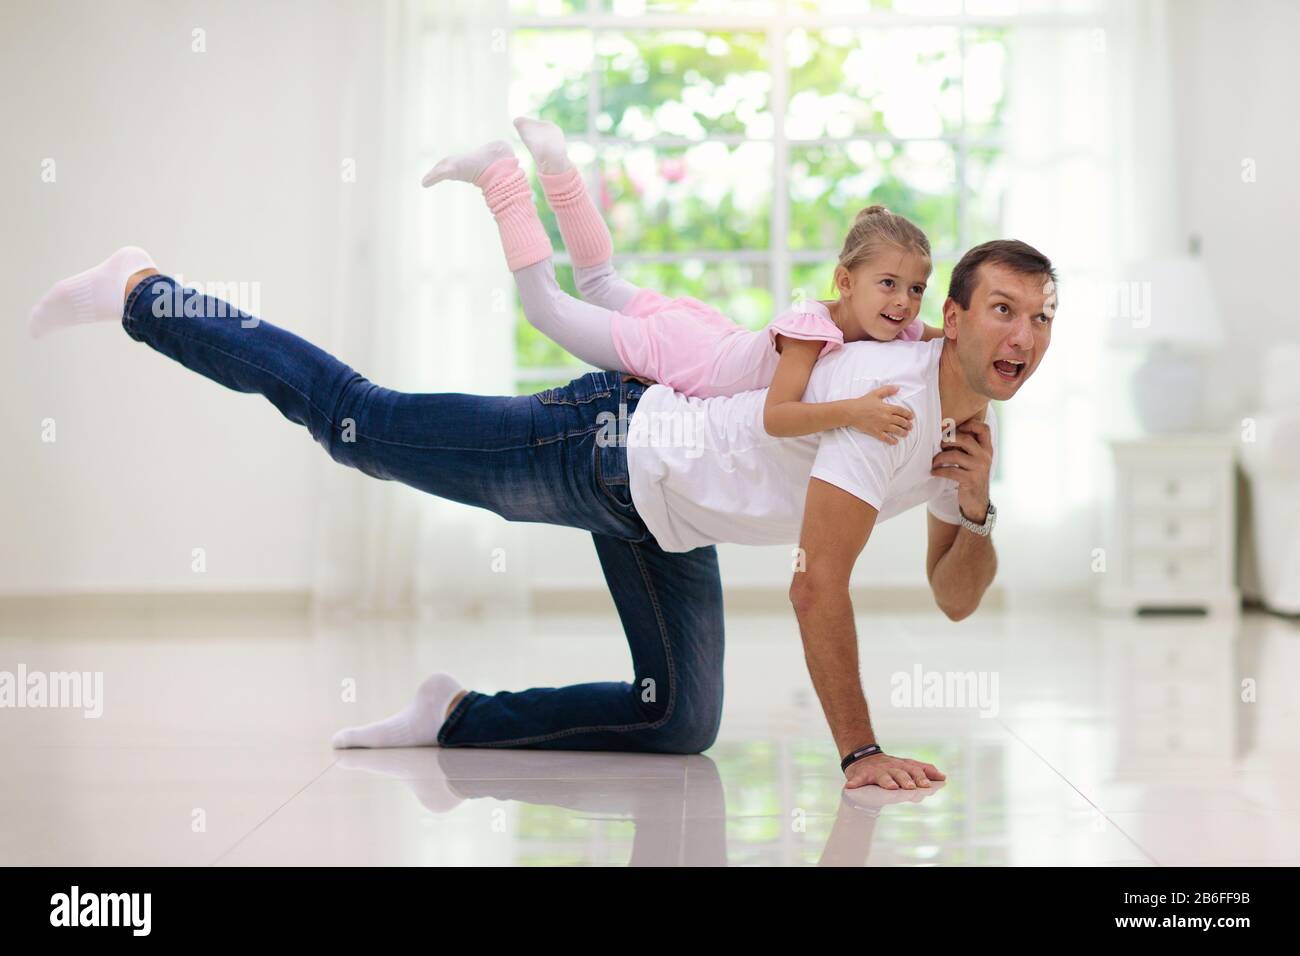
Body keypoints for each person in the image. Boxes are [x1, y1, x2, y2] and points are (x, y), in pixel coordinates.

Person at [28, 228, 1055, 792]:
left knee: (675, 720)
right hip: (602, 448)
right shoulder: (885, 397)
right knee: (356, 421)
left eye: (1042, 316)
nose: (1024, 333)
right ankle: (144, 289)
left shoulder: (963, 434)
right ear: (951, 317)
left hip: (666, 516)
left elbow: (954, 598)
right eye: (1002, 307)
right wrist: (859, 749)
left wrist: (973, 508)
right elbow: (815, 580)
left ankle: (453, 716)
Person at [426, 116, 942, 446]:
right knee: (547, 308)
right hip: (685, 355)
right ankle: (500, 178)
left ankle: (556, 163)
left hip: (707, 333)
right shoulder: (811, 329)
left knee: (600, 280)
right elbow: (777, 415)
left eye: (916, 289)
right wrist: (853, 412)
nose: (903, 303)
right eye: (889, 284)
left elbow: (950, 338)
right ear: (845, 281)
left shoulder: (896, 327)